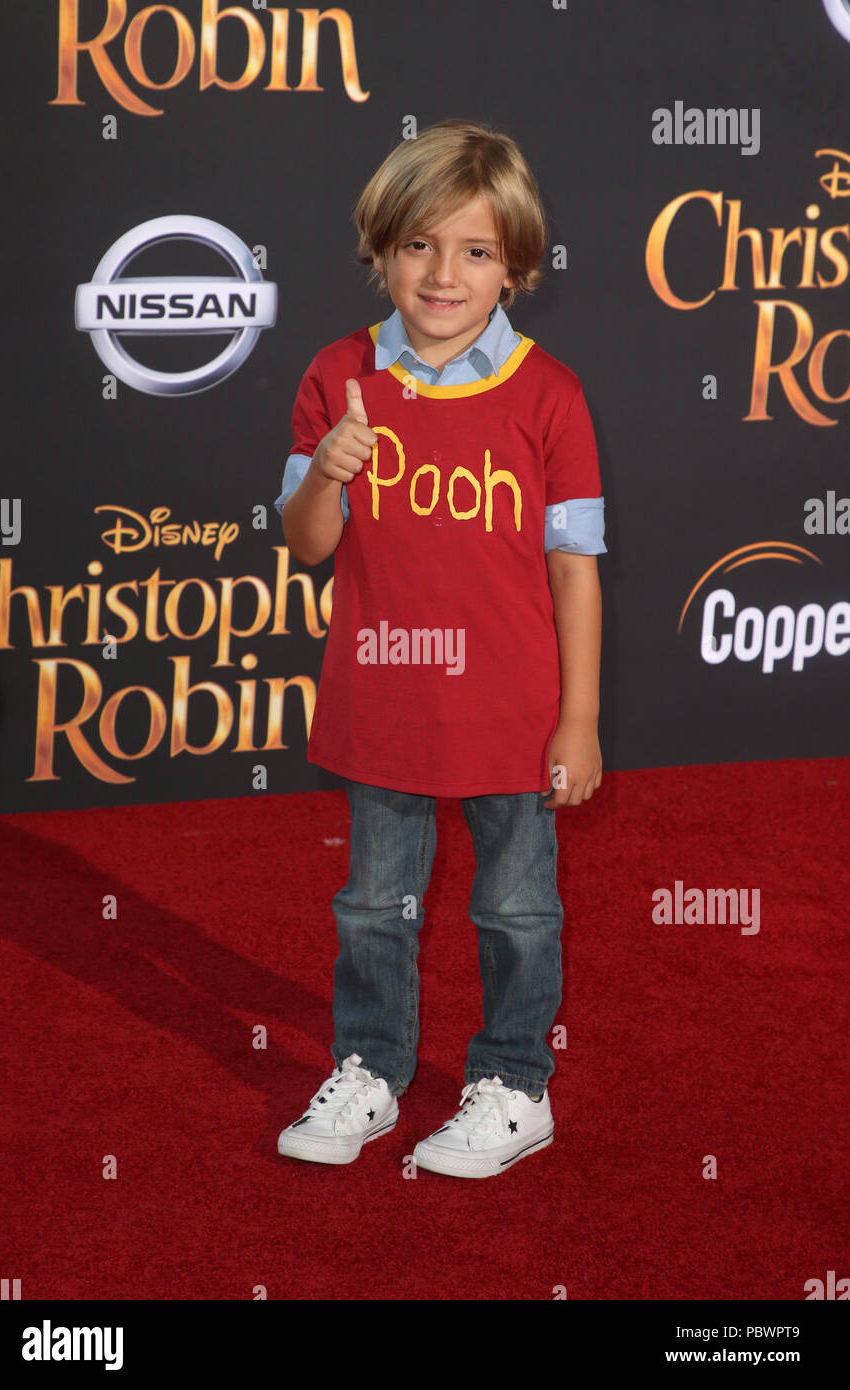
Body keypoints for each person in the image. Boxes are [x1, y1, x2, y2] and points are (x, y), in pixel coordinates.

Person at [274, 119, 605, 1178]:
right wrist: (327, 467)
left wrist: (579, 718)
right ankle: (370, 1067)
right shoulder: (339, 375)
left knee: (515, 908)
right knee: (371, 903)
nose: (442, 272)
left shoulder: (550, 396)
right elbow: (307, 542)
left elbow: (573, 571)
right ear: (378, 252)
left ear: (514, 266)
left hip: (514, 716)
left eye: (471, 249)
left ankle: (513, 1079)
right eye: (417, 245)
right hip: (383, 706)